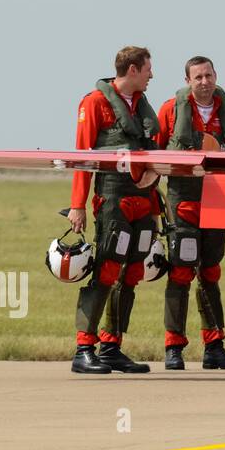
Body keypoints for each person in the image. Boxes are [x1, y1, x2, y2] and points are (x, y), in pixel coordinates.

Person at [66, 47, 162, 374]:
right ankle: (83, 348)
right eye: (148, 69)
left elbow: (155, 150)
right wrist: (77, 206)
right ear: (132, 70)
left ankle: (111, 346)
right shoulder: (94, 103)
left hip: (144, 200)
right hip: (112, 198)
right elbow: (81, 156)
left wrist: (155, 172)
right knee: (107, 269)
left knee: (133, 272)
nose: (151, 75)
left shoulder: (142, 107)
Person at [152, 56, 225, 370]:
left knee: (211, 272)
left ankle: (214, 345)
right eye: (197, 77)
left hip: (217, 201)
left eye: (208, 75)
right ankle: (173, 347)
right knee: (180, 271)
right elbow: (153, 156)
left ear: (215, 76)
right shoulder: (171, 110)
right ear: (188, 81)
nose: (204, 82)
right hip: (184, 202)